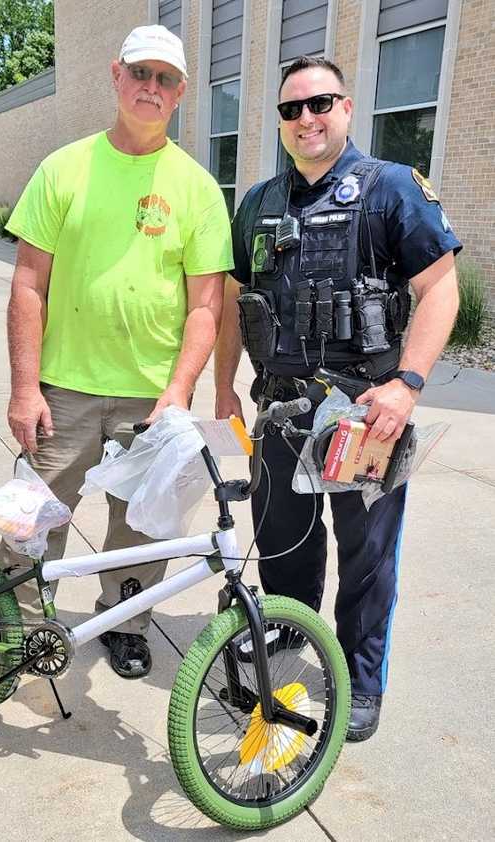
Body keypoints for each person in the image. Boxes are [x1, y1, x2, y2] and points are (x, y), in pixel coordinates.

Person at [214, 56, 460, 740]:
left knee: (366, 557)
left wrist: (407, 386)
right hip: (279, 408)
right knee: (283, 543)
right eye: (291, 110)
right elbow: (238, 300)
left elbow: (440, 289)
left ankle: (358, 678)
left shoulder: (392, 191)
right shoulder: (260, 202)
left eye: (319, 104)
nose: (306, 120)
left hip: (364, 413)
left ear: (346, 108)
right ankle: (290, 634)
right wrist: (224, 386)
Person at [0, 25, 233, 679]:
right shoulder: (64, 168)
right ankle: (15, 625)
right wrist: (24, 387)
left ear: (181, 92)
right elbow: (27, 284)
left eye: (165, 79)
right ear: (116, 75)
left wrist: (180, 389)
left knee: (142, 523)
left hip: (151, 395)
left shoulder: (196, 188)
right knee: (31, 517)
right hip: (62, 387)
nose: (150, 88)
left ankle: (125, 622)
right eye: (141, 74)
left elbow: (206, 306)